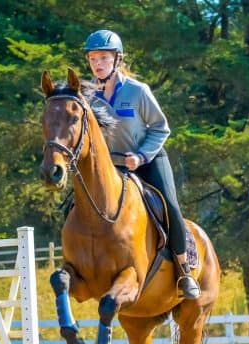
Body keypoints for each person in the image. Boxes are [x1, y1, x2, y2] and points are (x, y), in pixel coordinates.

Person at [83, 29, 200, 299]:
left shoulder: (138, 91)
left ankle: (184, 271)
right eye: (92, 59)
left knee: (169, 205)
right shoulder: (88, 96)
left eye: (103, 58)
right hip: (112, 167)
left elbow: (161, 128)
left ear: (116, 60)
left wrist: (142, 156)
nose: (97, 64)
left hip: (148, 160)